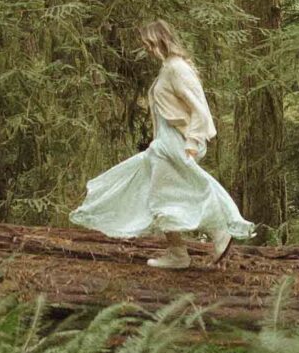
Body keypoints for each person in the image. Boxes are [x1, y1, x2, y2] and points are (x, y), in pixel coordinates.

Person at [71, 21, 253, 269]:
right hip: (164, 144)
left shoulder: (176, 68)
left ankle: (210, 237)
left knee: (180, 192)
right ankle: (188, 246)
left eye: (149, 44)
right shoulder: (169, 68)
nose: (146, 49)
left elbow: (200, 108)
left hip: (174, 143)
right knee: (160, 193)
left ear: (161, 41)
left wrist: (192, 142)